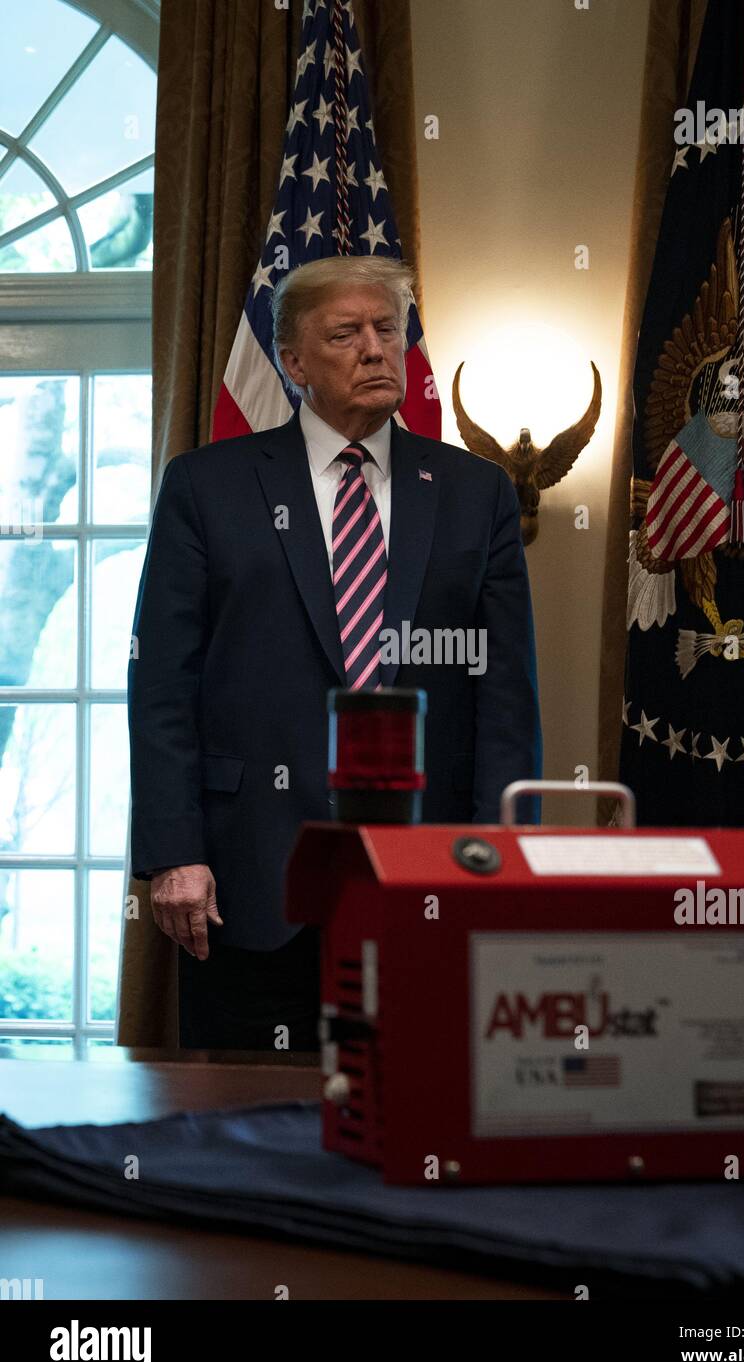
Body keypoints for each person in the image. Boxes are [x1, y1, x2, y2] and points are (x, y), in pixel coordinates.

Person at [128, 254, 542, 1050]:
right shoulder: (206, 486)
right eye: (346, 333)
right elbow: (162, 686)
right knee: (244, 1139)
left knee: (418, 1119)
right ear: (292, 362)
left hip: (429, 873)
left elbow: (506, 694)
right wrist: (175, 851)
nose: (376, 349)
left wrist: (499, 852)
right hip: (246, 881)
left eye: (388, 329)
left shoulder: (474, 492)